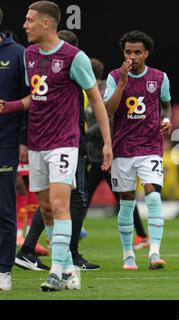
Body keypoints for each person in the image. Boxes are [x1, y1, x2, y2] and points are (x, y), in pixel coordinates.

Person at [0, 1, 112, 291]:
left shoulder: (75, 58)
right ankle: (69, 271)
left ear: (46, 23)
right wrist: (10, 106)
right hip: (37, 142)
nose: (24, 25)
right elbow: (33, 99)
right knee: (47, 208)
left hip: (64, 142)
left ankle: (58, 271)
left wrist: (108, 142)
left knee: (61, 205)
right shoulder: (30, 57)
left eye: (29, 20)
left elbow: (96, 99)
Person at [15, 29, 102, 272]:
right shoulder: (58, 65)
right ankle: (66, 256)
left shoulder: (66, 69)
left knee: (56, 201)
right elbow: (32, 103)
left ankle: (38, 253)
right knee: (71, 199)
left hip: (66, 140)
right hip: (64, 142)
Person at [103, 30, 171, 270]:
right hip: (123, 148)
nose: (132, 57)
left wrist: (167, 120)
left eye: (137, 52)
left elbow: (165, 105)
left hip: (150, 146)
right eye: (128, 52)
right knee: (127, 200)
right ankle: (127, 254)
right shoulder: (113, 77)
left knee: (153, 194)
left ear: (146, 53)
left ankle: (154, 252)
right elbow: (109, 110)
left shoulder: (160, 77)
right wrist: (122, 83)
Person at [85, 57, 149, 250]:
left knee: (123, 197)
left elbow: (109, 121)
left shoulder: (103, 90)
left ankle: (142, 236)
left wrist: (84, 134)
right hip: (95, 156)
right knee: (85, 196)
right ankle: (74, 230)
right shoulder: (87, 92)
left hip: (108, 155)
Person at [0, 5, 27, 291]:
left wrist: (24, 140)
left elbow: (32, 98)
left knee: (4, 208)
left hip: (5, 143)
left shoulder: (17, 53)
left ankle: (3, 270)